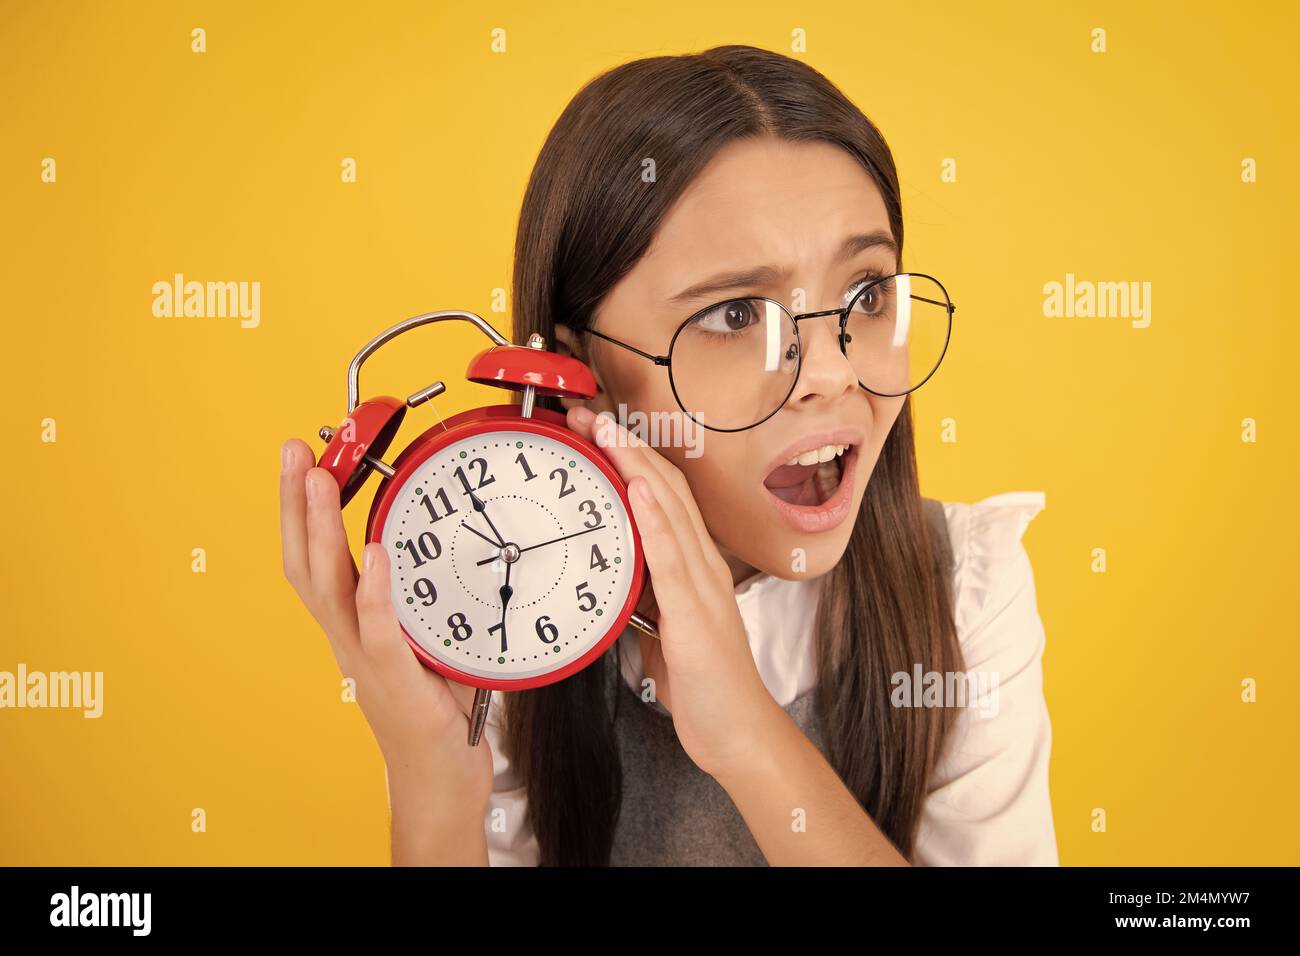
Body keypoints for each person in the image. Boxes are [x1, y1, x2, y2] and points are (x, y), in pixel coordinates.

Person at [279, 44, 1057, 867]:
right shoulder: (504, 628)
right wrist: (431, 776)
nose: (830, 372)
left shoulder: (966, 596)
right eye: (732, 315)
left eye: (866, 294)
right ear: (587, 380)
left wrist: (748, 734)